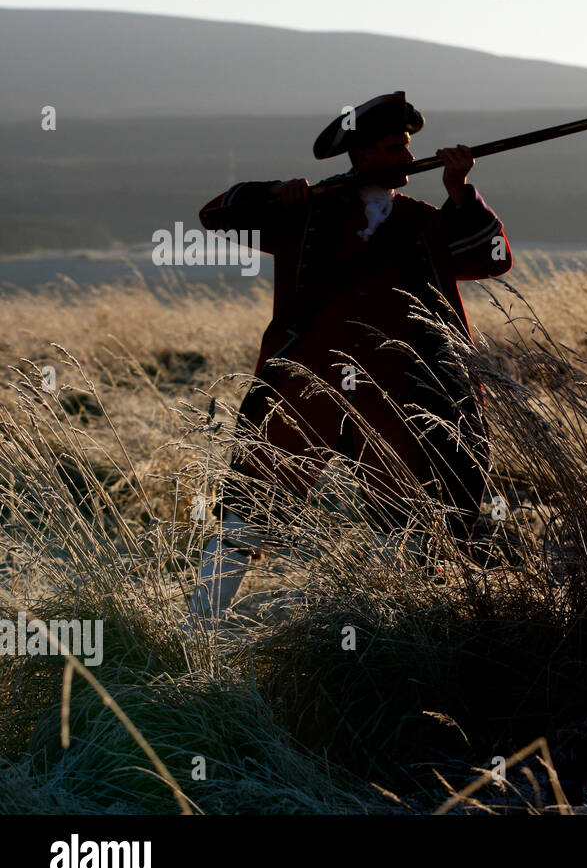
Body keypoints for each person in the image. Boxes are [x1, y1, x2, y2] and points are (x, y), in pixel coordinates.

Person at [191, 92, 512, 620]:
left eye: (408, 147)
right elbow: (215, 215)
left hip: (399, 396)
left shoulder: (427, 221)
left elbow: (490, 257)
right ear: (361, 155)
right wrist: (276, 192)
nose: (409, 159)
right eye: (394, 149)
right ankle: (196, 633)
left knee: (407, 523)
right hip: (302, 390)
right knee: (248, 514)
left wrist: (461, 193)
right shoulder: (304, 215)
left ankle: (400, 637)